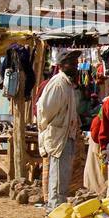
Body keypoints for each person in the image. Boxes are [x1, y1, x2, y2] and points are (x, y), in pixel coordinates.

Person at [36, 51, 83, 209]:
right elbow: (46, 110)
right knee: (56, 175)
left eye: (76, 63)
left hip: (66, 135)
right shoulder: (58, 83)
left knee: (63, 175)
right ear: (62, 66)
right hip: (57, 135)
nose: (76, 67)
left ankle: (59, 207)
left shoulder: (68, 84)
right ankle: (54, 208)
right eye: (72, 64)